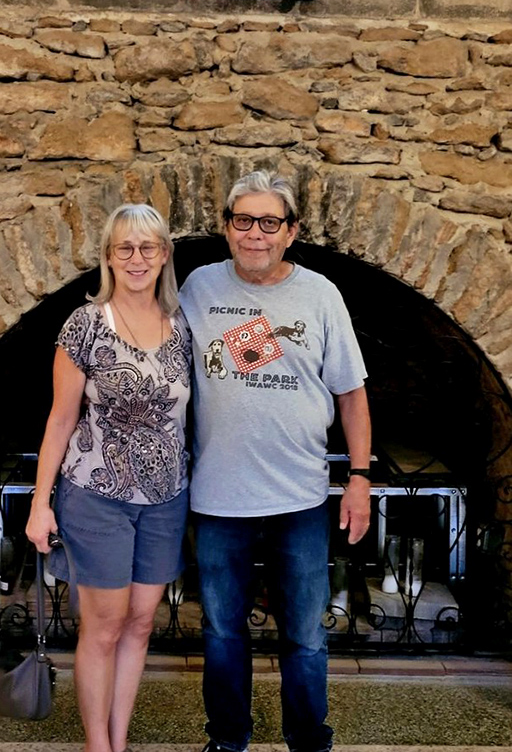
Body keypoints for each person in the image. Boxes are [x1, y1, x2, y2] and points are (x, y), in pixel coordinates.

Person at [179, 170, 371, 752]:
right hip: (217, 495)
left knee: (307, 636)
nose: (255, 234)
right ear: (226, 227)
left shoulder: (320, 295)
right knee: (220, 633)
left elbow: (351, 394)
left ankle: (309, 739)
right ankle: (229, 738)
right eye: (244, 221)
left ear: (290, 232)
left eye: (269, 223)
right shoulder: (197, 288)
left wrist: (359, 479)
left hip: (302, 498)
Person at [26, 203, 191, 752]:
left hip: (167, 500)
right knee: (104, 626)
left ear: (164, 255)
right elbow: (60, 417)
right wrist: (39, 503)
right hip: (97, 495)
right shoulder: (85, 324)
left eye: (148, 247)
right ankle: (99, 747)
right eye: (125, 248)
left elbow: (244, 374)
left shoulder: (184, 323)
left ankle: (120, 740)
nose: (137, 258)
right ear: (109, 257)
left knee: (141, 623)